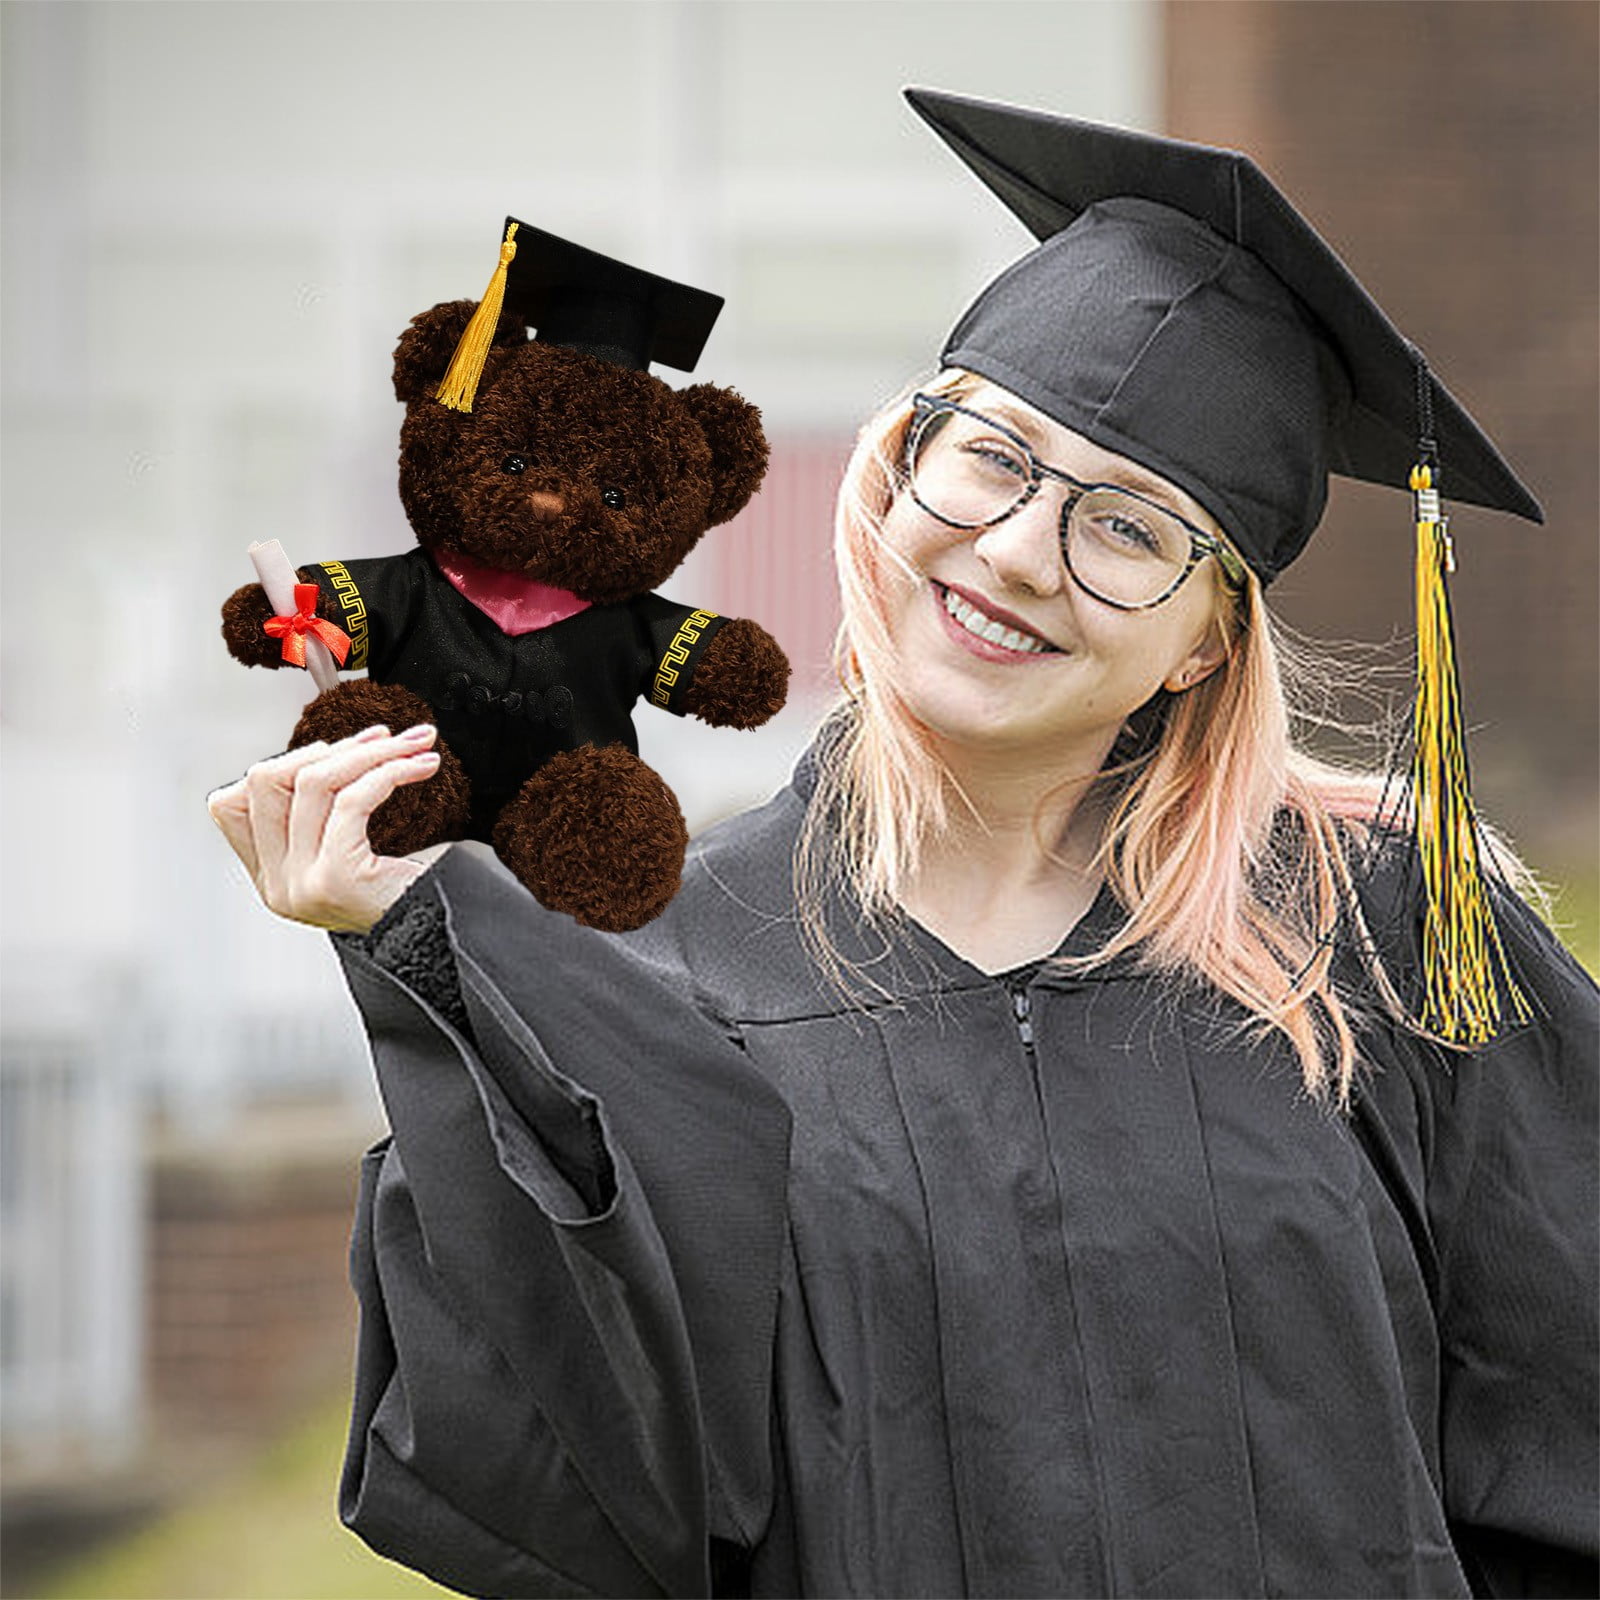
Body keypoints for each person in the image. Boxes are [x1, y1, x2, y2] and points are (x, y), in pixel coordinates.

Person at [209, 92, 1598, 1599]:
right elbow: (569, 1491)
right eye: (990, 456)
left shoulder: (1381, 938)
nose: (1011, 551)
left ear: (1210, 641)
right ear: (898, 471)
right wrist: (421, 948)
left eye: (1129, 526)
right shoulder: (664, 969)